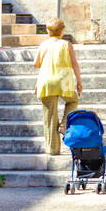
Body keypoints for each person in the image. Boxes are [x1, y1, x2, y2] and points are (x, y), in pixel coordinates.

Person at [33, 19, 83, 156]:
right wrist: (79, 82)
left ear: (48, 32)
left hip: (46, 83)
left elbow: (36, 63)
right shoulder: (67, 44)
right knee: (73, 101)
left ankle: (52, 150)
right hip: (63, 82)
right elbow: (75, 65)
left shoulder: (43, 45)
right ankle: (64, 123)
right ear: (62, 31)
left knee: (49, 117)